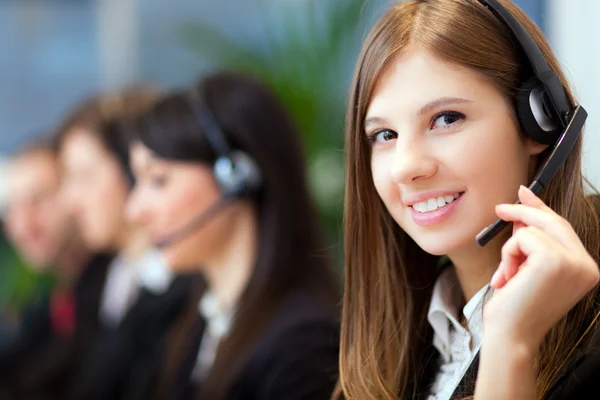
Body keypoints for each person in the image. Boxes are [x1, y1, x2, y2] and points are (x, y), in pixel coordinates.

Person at [336, 0, 600, 399]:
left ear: (538, 121)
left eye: (446, 119)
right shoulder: (408, 340)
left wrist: (510, 345)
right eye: (385, 135)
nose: (406, 167)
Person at [125, 70, 341, 400]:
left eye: (158, 180)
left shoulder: (302, 348)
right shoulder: (204, 317)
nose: (135, 210)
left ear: (237, 179)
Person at [56, 87, 195, 399]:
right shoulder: (98, 274)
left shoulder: (184, 292)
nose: (69, 201)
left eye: (85, 176)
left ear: (132, 170)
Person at [0, 137, 113, 399]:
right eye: (12, 207)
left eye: (38, 200)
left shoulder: (111, 291)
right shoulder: (62, 295)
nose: (23, 224)